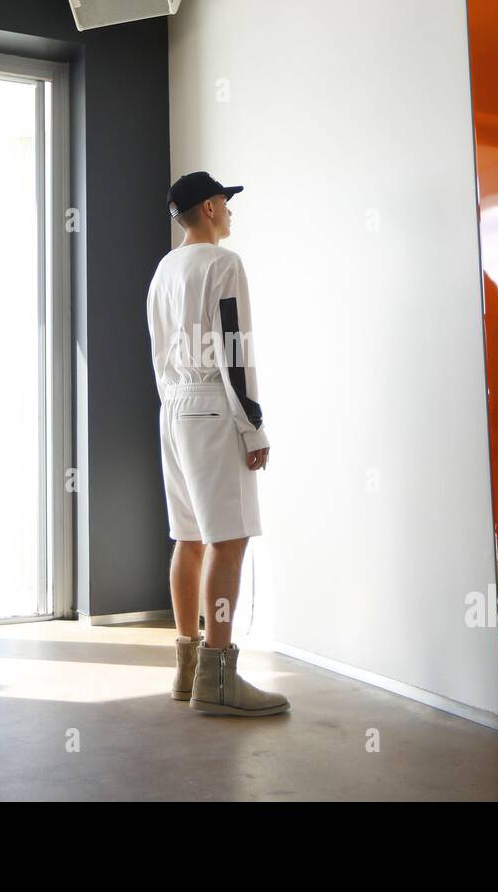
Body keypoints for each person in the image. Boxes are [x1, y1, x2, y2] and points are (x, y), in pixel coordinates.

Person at [145, 171, 289, 716]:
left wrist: (174, 407)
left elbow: (159, 352)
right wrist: (253, 426)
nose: (230, 211)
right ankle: (220, 677)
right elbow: (234, 350)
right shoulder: (222, 264)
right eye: (225, 202)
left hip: (174, 408)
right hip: (212, 407)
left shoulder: (164, 270)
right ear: (208, 207)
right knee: (228, 539)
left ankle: (188, 670)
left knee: (189, 538)